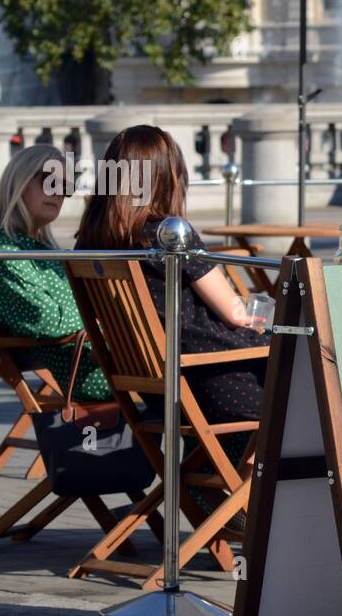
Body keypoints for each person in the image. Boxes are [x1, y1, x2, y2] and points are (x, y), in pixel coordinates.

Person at [76, 125, 265, 425]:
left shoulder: (86, 245)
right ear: (167, 178)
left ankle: (212, 467)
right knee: (315, 375)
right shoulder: (171, 235)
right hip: (216, 382)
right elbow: (234, 313)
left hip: (155, 390)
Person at [0, 144, 111, 401]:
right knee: (186, 380)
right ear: (19, 181)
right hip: (91, 373)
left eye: (65, 186)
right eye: (49, 180)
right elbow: (47, 319)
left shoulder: (41, 251)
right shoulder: (6, 256)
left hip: (104, 360)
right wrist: (111, 325)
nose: (58, 193)